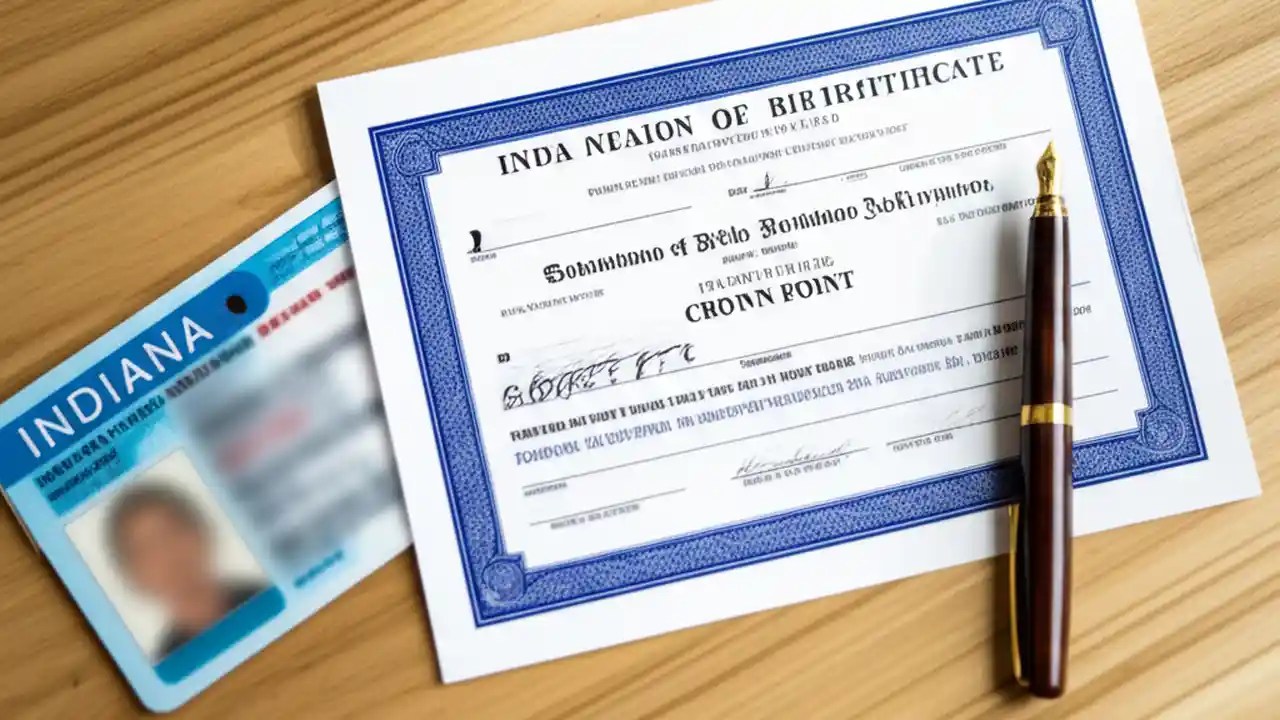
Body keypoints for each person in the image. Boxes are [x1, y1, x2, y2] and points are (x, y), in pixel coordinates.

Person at [106, 482, 265, 659]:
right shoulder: (167, 664)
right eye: (147, 549)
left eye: (171, 533)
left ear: (202, 532)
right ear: (133, 576)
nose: (168, 556)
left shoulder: (267, 598)